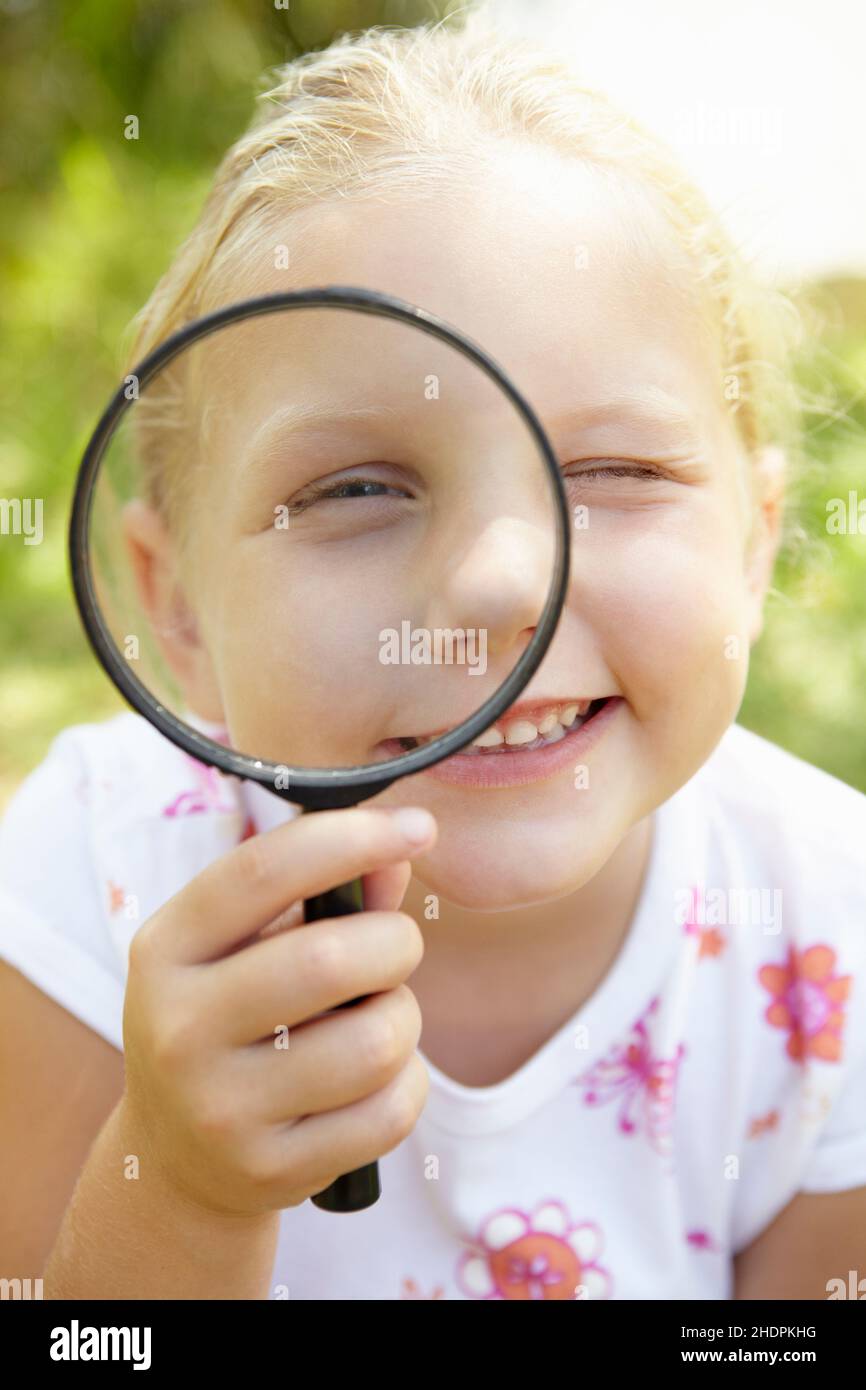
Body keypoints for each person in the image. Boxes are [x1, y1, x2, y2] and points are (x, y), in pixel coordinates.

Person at [2, 9, 865, 1301]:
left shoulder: (827, 927)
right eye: (356, 485)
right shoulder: (93, 877)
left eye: (613, 470)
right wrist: (176, 1193)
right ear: (169, 609)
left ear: (751, 543)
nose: (500, 582)